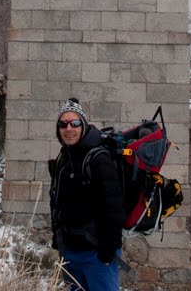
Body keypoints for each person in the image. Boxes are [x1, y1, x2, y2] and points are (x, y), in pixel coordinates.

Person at [49, 98, 124, 291]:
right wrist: (59, 241)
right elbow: (57, 203)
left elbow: (114, 209)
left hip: (96, 255)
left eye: (74, 123)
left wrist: (107, 251)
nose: (69, 129)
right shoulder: (63, 158)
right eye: (63, 124)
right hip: (71, 253)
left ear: (83, 125)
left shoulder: (99, 159)